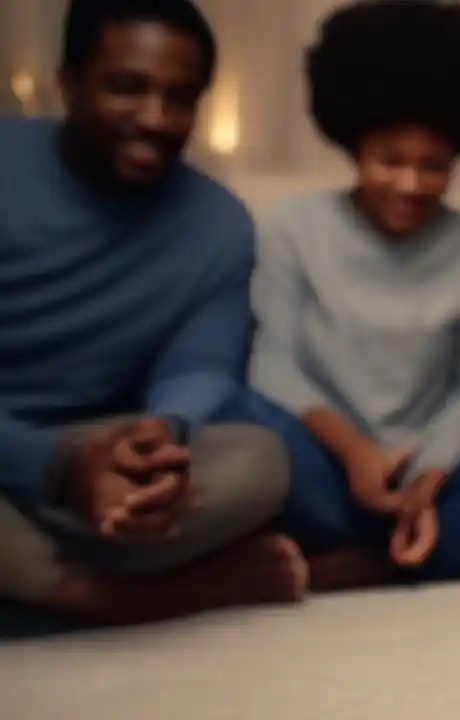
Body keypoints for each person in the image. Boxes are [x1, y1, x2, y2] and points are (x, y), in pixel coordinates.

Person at [236, 0, 460, 587]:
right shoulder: (292, 229)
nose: (411, 184)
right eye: (390, 161)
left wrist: (428, 480)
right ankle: (429, 554)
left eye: (434, 166)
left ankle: (355, 564)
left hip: (428, 473)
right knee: (250, 441)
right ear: (353, 148)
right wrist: (356, 454)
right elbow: (272, 367)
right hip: (322, 461)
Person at [0, 0, 299, 625]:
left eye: (180, 98)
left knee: (262, 460)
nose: (156, 119)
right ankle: (107, 598)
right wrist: (55, 470)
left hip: (93, 450)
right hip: (40, 457)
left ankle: (37, 583)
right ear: (69, 83)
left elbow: (201, 363)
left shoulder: (218, 224)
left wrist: (161, 437)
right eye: (127, 88)